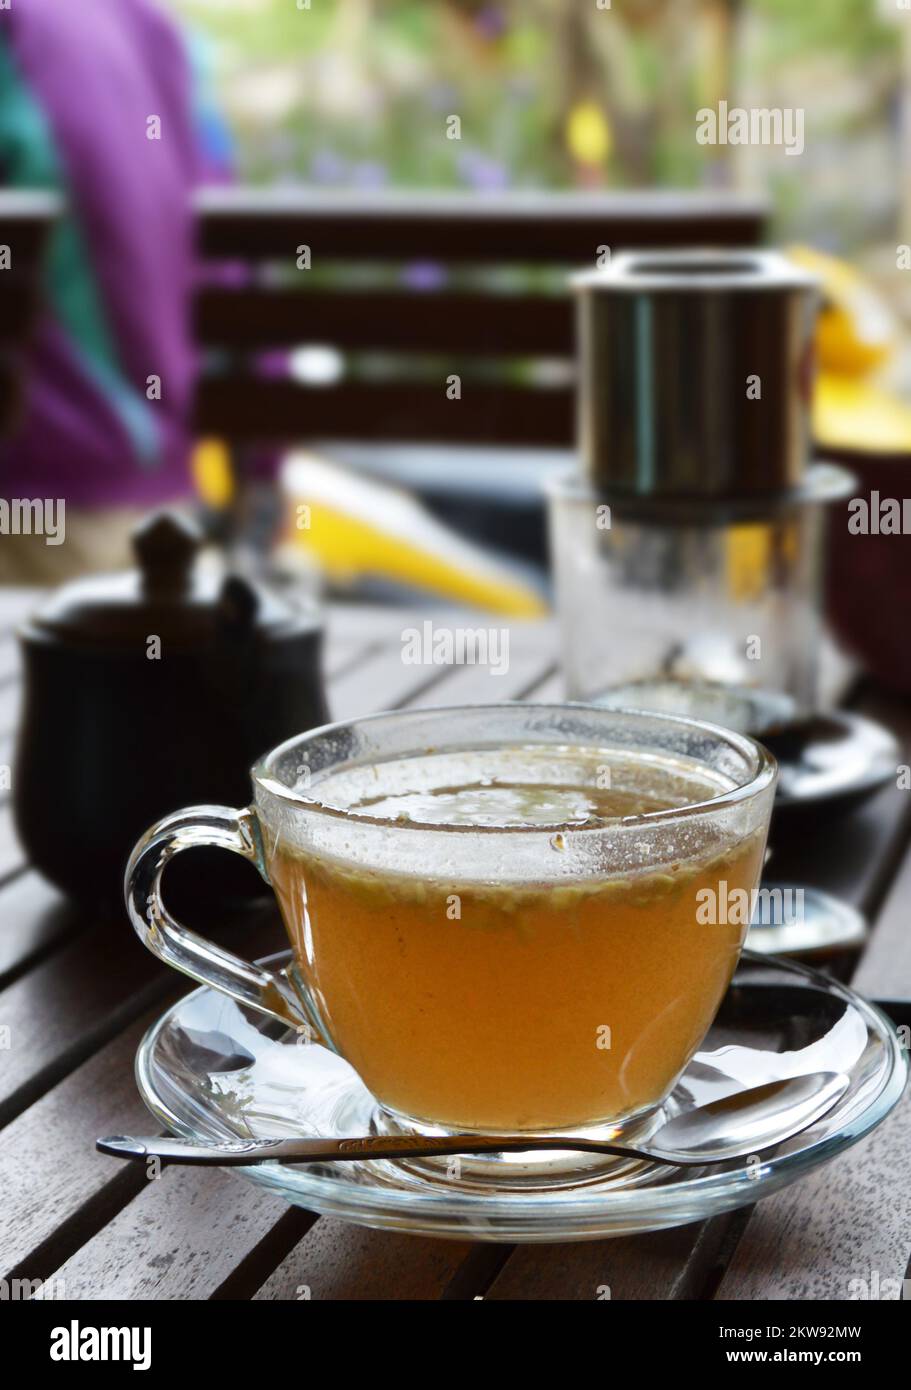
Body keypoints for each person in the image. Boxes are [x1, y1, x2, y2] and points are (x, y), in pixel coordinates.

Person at [0, 0, 231, 582]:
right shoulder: (151, 23)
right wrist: (264, 473)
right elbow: (232, 256)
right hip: (168, 519)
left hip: (32, 509)